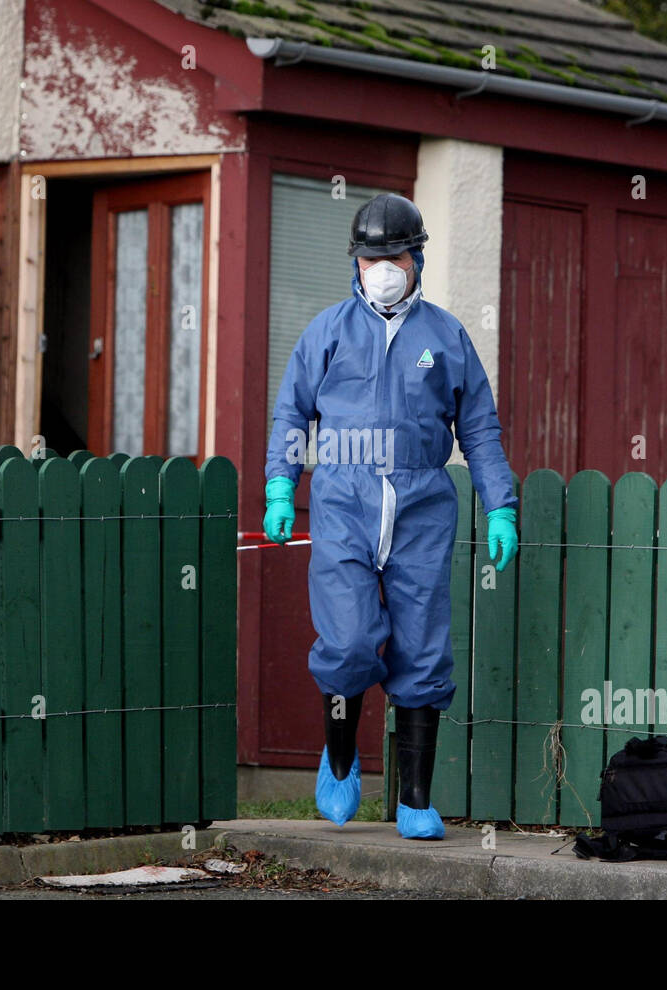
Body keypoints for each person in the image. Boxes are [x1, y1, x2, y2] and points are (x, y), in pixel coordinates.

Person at [264, 193, 519, 839]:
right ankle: (342, 758)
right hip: (343, 503)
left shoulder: (446, 336)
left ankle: (413, 800)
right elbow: (293, 413)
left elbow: (480, 428)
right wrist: (278, 486)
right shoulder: (326, 332)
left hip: (422, 508)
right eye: (372, 256)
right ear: (356, 260)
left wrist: (500, 507)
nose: (383, 266)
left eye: (395, 255)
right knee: (348, 642)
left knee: (423, 651)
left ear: (417, 258)